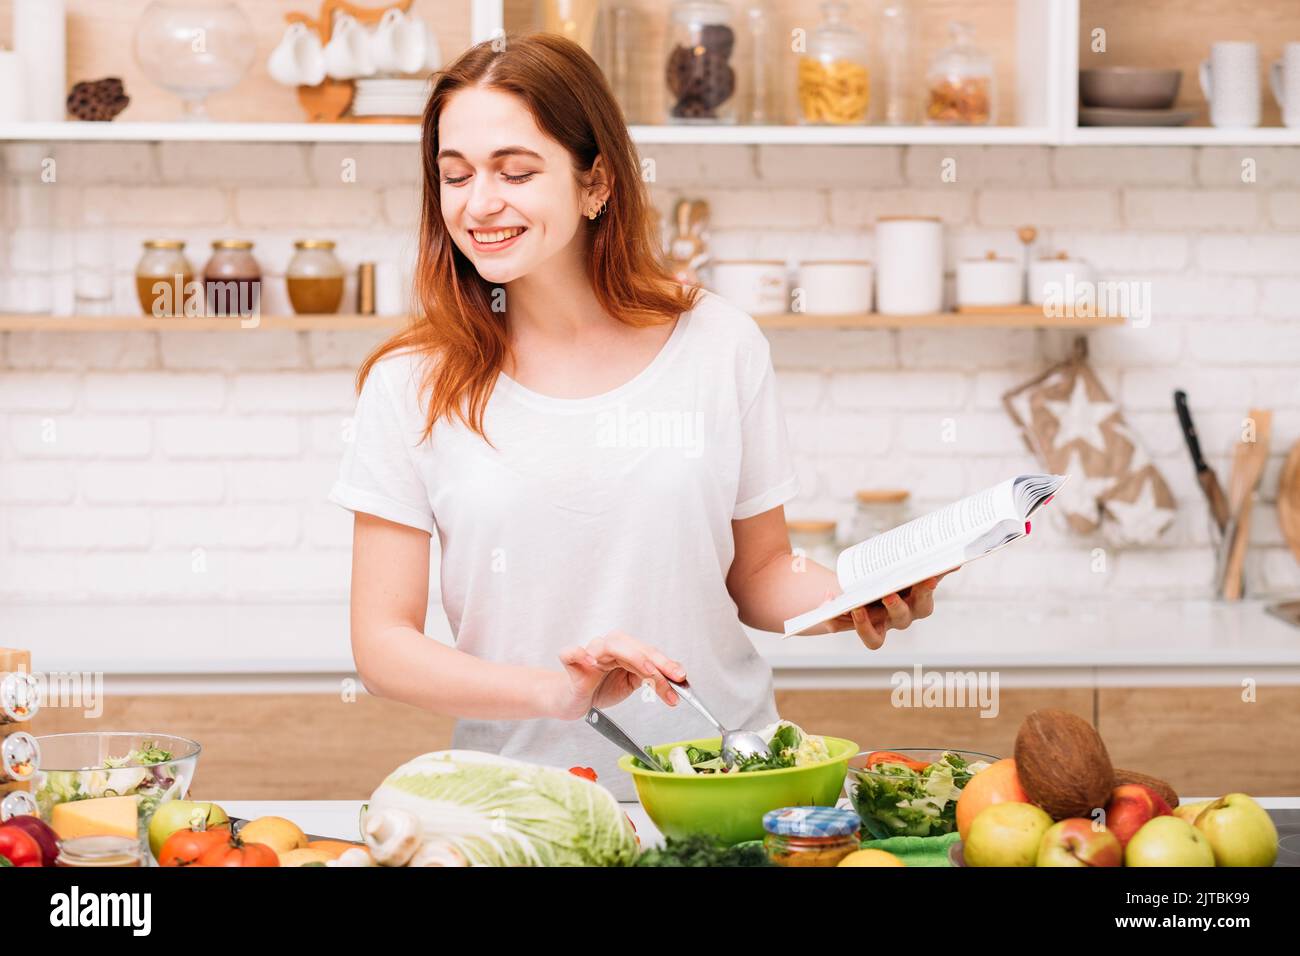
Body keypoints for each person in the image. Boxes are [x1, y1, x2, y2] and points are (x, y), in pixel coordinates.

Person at [329, 34, 946, 798]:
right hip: (524, 802)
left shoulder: (716, 341)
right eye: (454, 176)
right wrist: (555, 692)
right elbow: (382, 644)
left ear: (596, 183)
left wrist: (857, 596)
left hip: (728, 785)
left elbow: (759, 573)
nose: (479, 203)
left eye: (516, 172)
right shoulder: (412, 383)